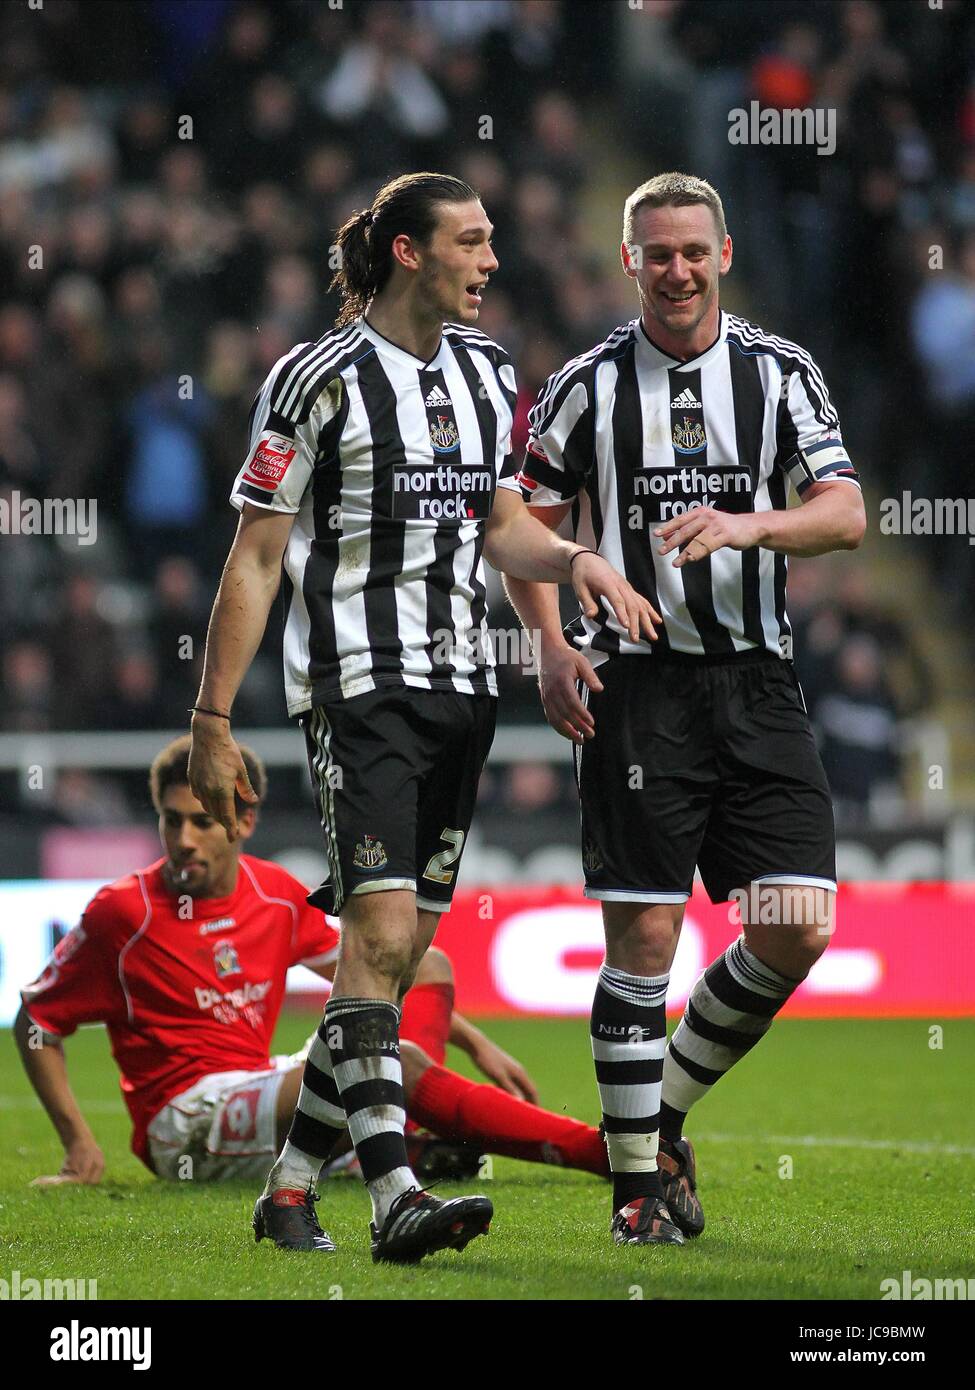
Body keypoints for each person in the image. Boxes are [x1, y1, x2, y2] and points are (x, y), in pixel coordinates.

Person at [186, 171, 657, 1264]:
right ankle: (394, 1193)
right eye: (473, 241)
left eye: (492, 240)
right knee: (384, 938)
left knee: (386, 967)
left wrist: (576, 557)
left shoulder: (491, 372)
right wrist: (211, 715)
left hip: (461, 693)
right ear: (409, 252)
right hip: (358, 687)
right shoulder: (316, 379)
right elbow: (257, 555)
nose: (493, 261)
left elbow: (500, 522)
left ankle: (290, 1189)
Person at [502, 172, 866, 1247]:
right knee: (647, 936)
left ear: (726, 254)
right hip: (638, 690)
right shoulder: (585, 386)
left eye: (692, 251)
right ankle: (637, 1189)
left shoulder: (780, 373)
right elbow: (518, 522)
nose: (676, 270)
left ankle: (652, 1117)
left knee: (797, 926)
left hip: (756, 680)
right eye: (655, 252)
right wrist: (552, 640)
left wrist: (749, 525)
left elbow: (844, 513)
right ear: (629, 261)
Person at [14, 737, 610, 1207]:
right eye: (173, 821)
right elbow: (37, 1020)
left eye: (202, 820)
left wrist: (478, 1042)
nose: (184, 840)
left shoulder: (271, 893)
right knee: (389, 1062)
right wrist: (78, 1146)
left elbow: (387, 971)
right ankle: (601, 1152)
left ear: (243, 822)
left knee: (427, 964)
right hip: (184, 1118)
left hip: (260, 1082)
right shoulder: (125, 912)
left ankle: (394, 1138)